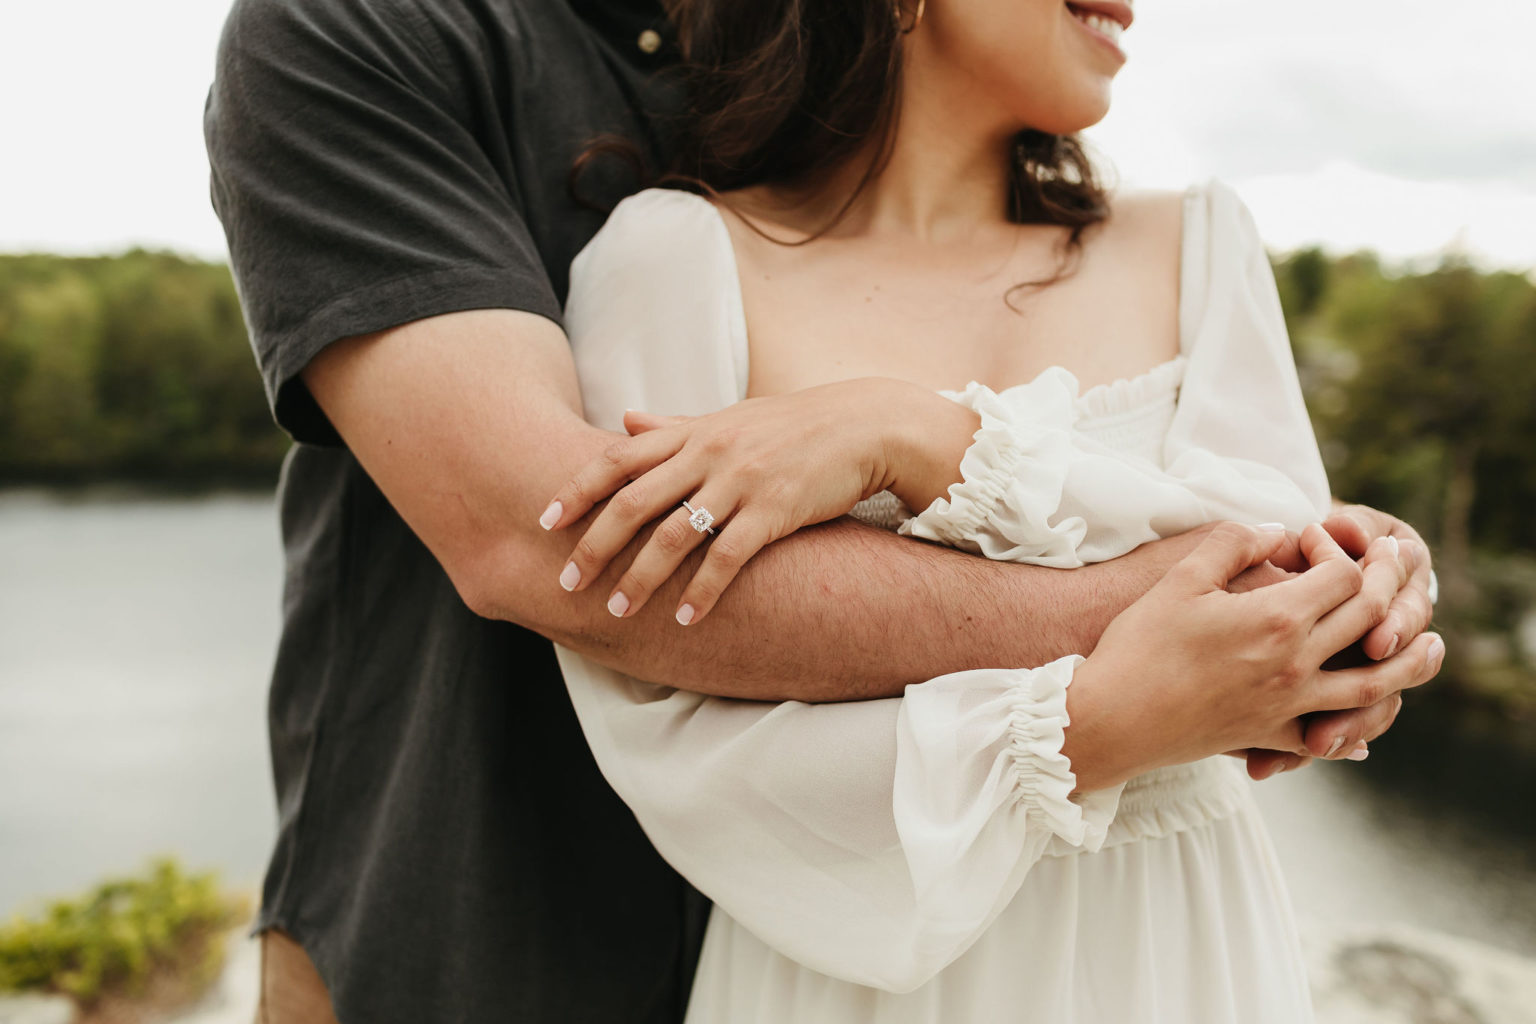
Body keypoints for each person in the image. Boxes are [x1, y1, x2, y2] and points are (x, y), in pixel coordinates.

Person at [203, 0, 1435, 1020]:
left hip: (1190, 950)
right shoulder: (653, 242)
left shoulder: (1201, 241)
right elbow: (563, 561)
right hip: (557, 939)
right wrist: (1104, 706)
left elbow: (1309, 627)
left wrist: (914, 436)